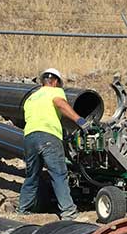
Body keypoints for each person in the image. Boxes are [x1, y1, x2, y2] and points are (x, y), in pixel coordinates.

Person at [17, 67, 87, 221]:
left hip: (29, 138)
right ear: (55, 82)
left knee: (32, 175)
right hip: (48, 136)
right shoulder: (55, 92)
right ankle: (68, 212)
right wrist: (80, 120)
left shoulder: (31, 98)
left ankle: (23, 209)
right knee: (58, 174)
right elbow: (60, 103)